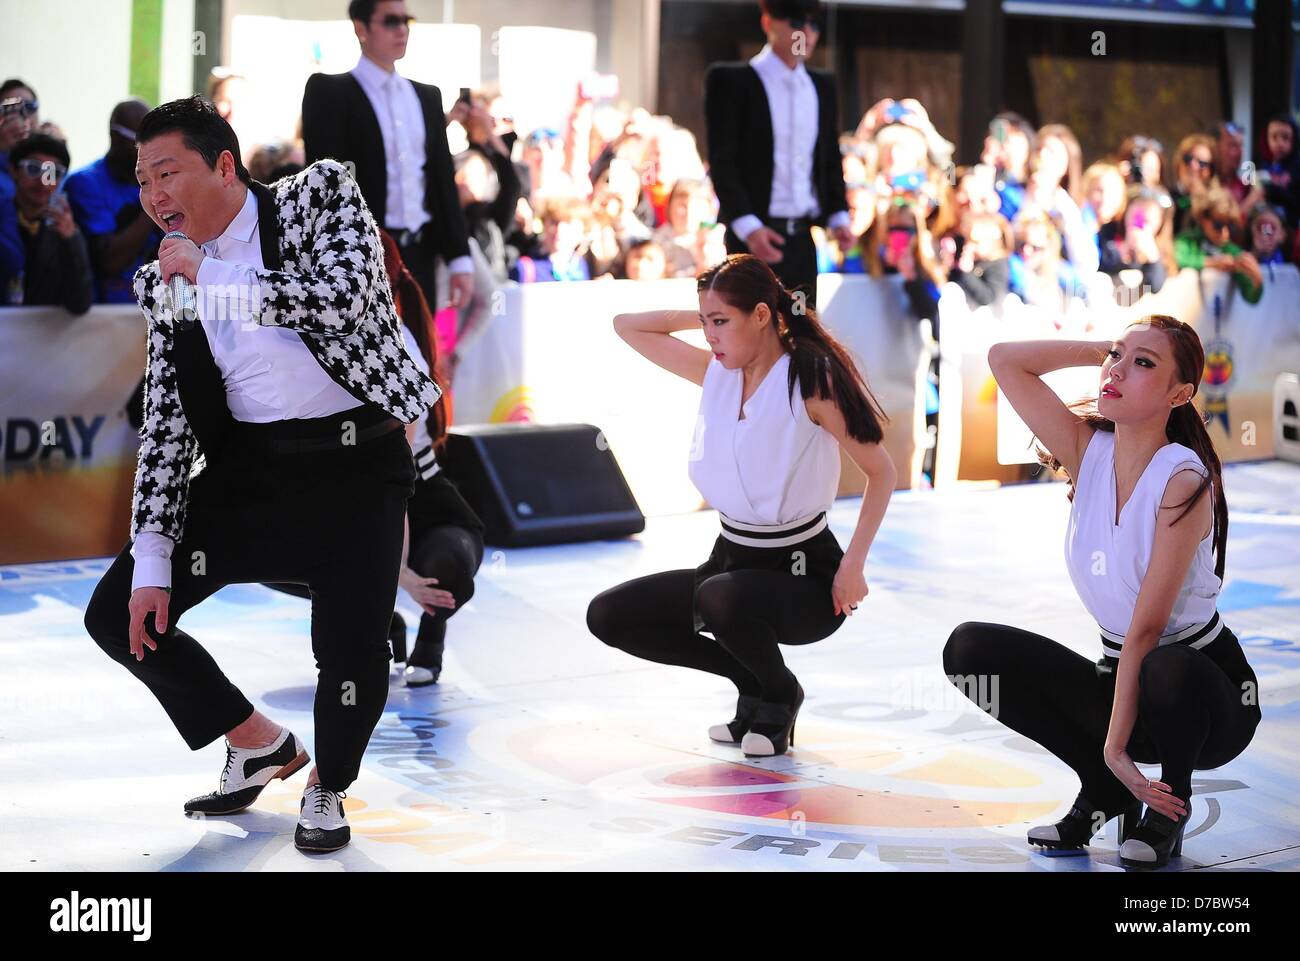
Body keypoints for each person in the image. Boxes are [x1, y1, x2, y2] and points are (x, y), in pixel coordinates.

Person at [81, 96, 440, 854]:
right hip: (252, 476)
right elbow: (169, 425)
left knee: (351, 652)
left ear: (223, 165)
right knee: (120, 613)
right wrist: (151, 559)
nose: (154, 196)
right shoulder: (165, 279)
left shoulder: (319, 195)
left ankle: (328, 784)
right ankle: (258, 740)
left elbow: (345, 303)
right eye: (143, 180)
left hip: (358, 467)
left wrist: (213, 275)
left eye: (168, 172)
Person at [944, 317, 1261, 869]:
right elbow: (1004, 359)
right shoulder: (1085, 450)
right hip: (1125, 675)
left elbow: (1146, 628)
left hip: (1208, 699)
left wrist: (1117, 748)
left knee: (1165, 663)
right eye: (1116, 356)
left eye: (1144, 364)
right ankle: (1104, 788)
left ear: (1180, 394)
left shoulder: (1181, 479)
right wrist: (1108, 350)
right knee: (970, 651)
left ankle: (1170, 804)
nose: (1116, 369)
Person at [587, 253, 896, 757]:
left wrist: (854, 565)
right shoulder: (718, 370)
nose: (709, 335)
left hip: (805, 576)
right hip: (731, 563)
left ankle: (779, 693)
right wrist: (708, 311)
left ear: (760, 315)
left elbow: (882, 471)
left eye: (721, 322)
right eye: (706, 323)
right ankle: (754, 681)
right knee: (610, 615)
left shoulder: (808, 378)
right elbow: (628, 326)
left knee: (719, 597)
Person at [301, 0, 474, 315]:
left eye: (406, 21)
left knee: (420, 358)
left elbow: (441, 181)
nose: (402, 30)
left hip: (420, 255)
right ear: (360, 27)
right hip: (361, 256)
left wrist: (459, 257)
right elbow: (325, 185)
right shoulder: (329, 92)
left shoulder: (427, 96)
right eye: (391, 21)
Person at [704, 0, 854, 307]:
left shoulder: (821, 85)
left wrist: (839, 215)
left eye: (814, 24)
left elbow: (828, 157)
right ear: (768, 22)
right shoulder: (732, 81)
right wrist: (750, 228)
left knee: (801, 334)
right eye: (797, 22)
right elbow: (722, 162)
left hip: (801, 239)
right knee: (746, 336)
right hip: (751, 238)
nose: (807, 34)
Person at [64, 100, 164, 305]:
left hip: (152, 310)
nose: (147, 151)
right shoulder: (86, 183)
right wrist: (153, 202)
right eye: (140, 141)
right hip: (99, 316)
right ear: (115, 136)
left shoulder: (158, 181)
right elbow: (110, 261)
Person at [1, 134, 93, 312]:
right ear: (13, 171)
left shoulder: (66, 230)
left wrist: (71, 240)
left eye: (53, 173)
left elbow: (80, 304)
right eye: (34, 169)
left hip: (42, 336)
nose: (43, 181)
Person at [1173, 185, 1263, 304]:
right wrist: (1212, 263)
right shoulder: (1187, 240)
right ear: (1202, 219)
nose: (1225, 233)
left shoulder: (1232, 252)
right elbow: (1177, 259)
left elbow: (1251, 298)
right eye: (1218, 225)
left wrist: (1257, 280)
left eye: (1230, 226)